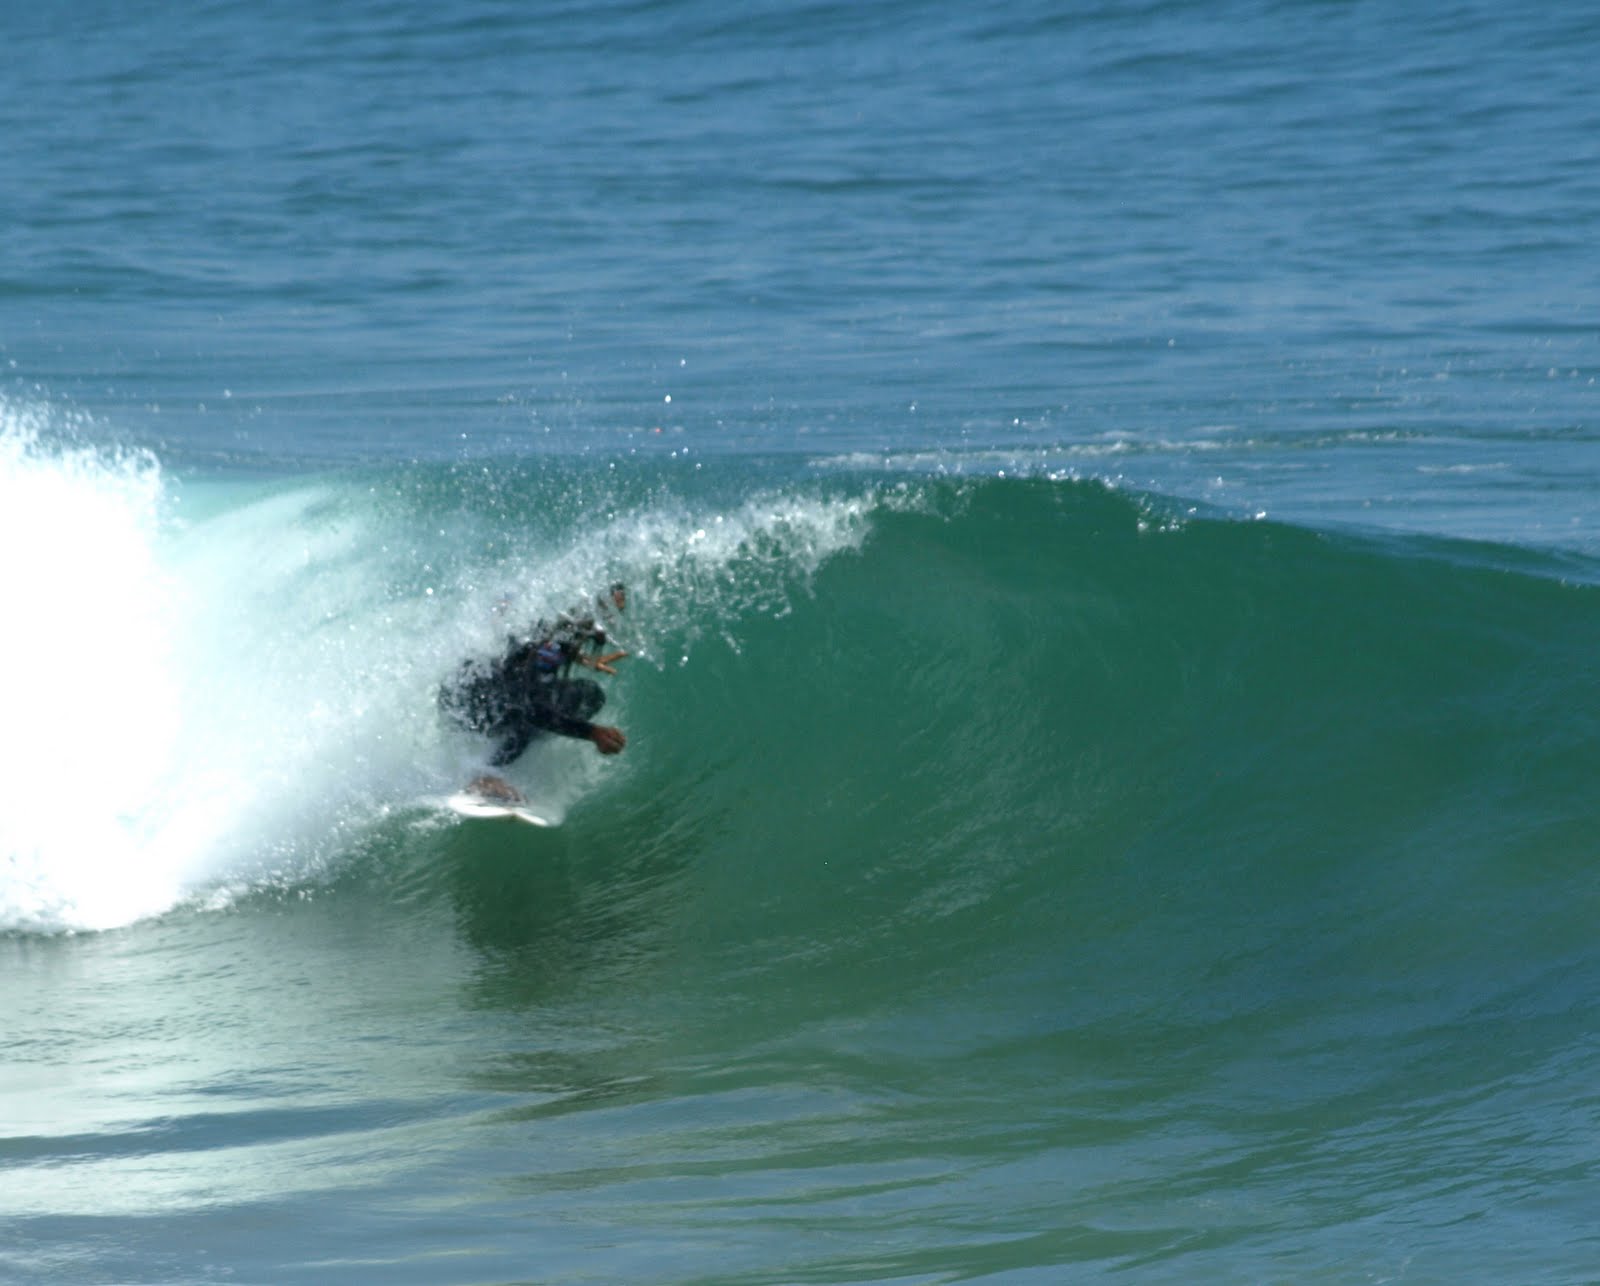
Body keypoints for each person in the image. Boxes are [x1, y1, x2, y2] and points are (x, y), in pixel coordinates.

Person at [439, 587, 630, 768]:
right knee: (532, 714)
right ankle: (485, 773)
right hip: (467, 703)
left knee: (562, 698)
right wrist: (593, 733)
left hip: (462, 690)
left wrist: (581, 658)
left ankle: (488, 766)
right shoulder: (552, 647)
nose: (612, 621)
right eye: (609, 614)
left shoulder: (557, 631)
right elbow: (534, 709)